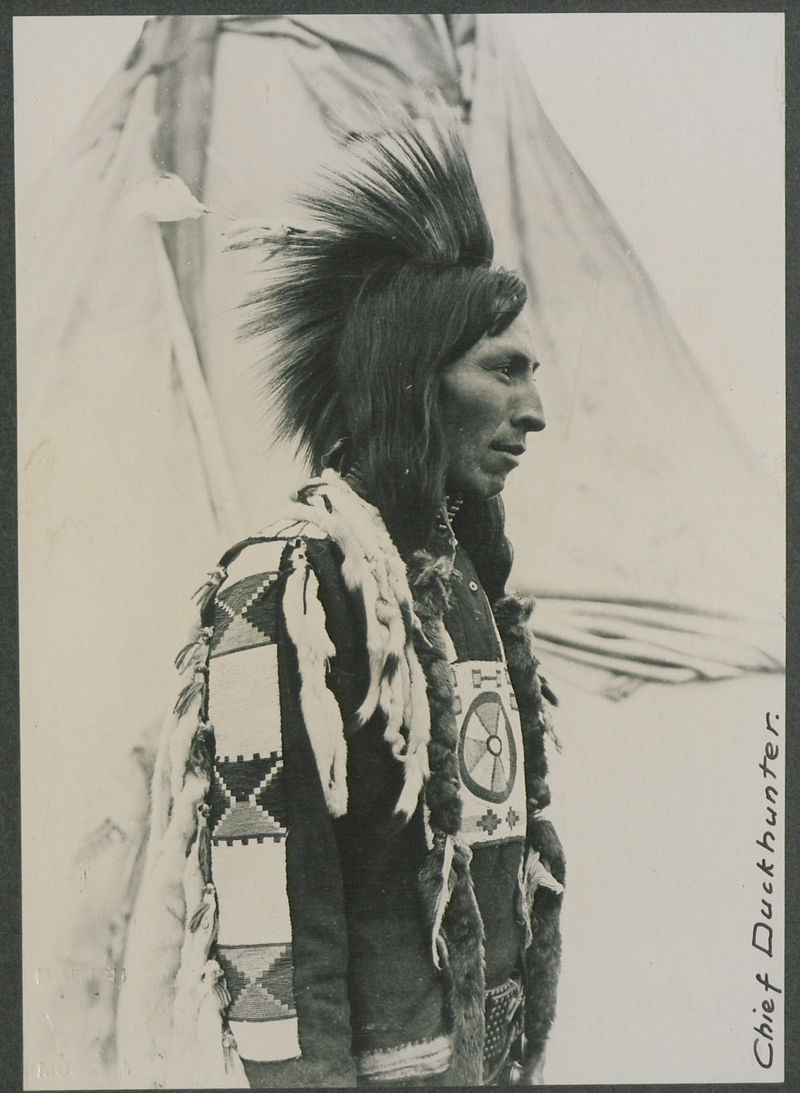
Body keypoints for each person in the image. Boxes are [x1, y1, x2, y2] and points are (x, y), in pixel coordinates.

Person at [116, 113, 564, 1088]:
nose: (533, 411)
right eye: (503, 369)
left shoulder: (465, 585)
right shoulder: (283, 590)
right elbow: (267, 932)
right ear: (414, 381)